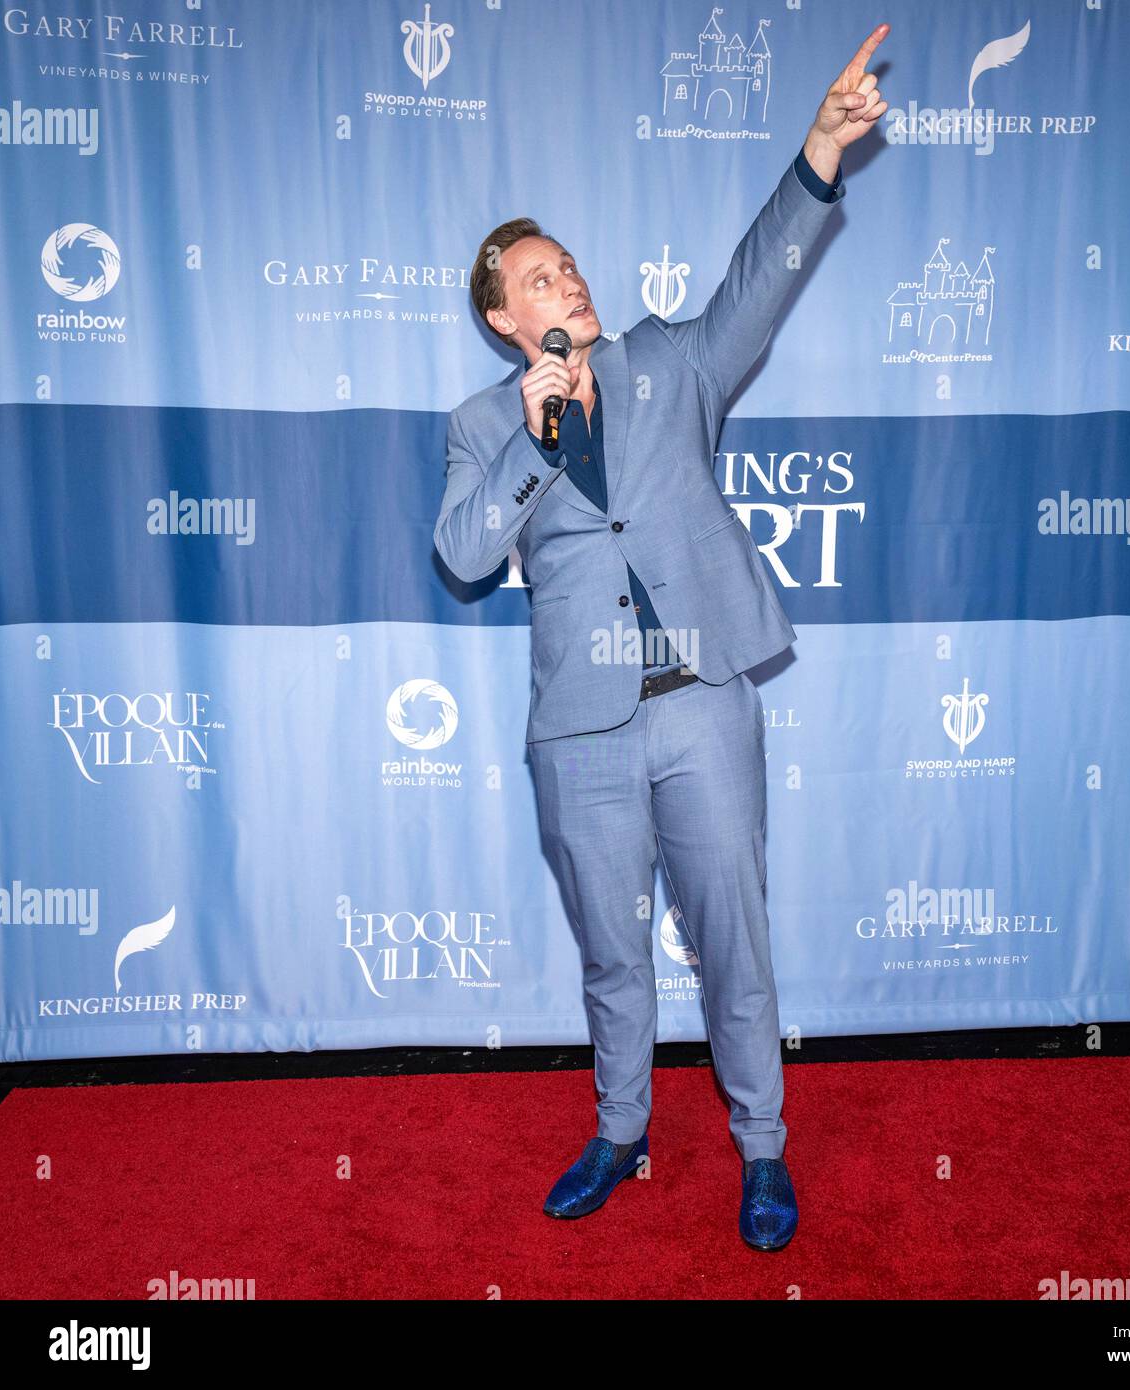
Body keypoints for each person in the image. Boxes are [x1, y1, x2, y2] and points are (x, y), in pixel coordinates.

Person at [435, 24, 890, 1251]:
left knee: (732, 937)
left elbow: (760, 281)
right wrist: (533, 443)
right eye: (537, 278)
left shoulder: (671, 365)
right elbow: (466, 554)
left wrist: (818, 154)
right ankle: (622, 1128)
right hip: (579, 731)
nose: (566, 282)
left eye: (568, 265)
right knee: (612, 953)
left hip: (701, 702)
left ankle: (761, 1149)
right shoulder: (483, 424)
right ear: (500, 318)